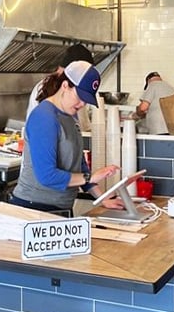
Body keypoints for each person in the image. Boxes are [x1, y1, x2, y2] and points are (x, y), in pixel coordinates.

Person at [11, 61, 122, 215]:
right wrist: (90, 178)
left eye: (86, 100)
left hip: (60, 209)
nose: (82, 104)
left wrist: (103, 198)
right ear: (65, 86)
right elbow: (47, 176)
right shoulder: (44, 117)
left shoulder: (70, 116)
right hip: (34, 209)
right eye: (80, 97)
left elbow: (79, 165)